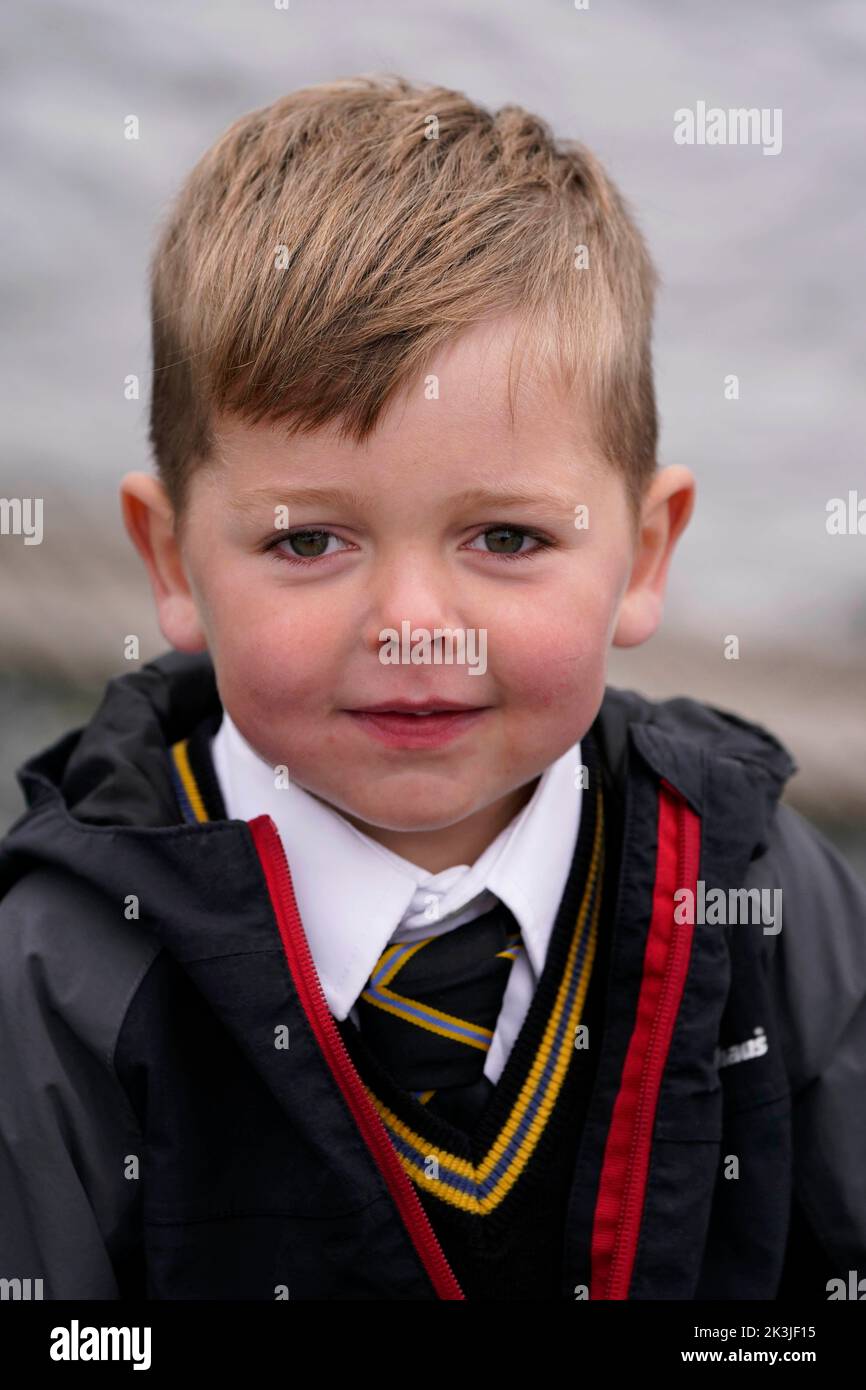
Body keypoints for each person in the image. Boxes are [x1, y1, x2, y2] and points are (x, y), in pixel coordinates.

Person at [1, 74, 864, 1301]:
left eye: (504, 538)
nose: (412, 630)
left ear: (645, 551)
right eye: (308, 541)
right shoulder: (62, 976)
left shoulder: (762, 895)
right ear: (170, 561)